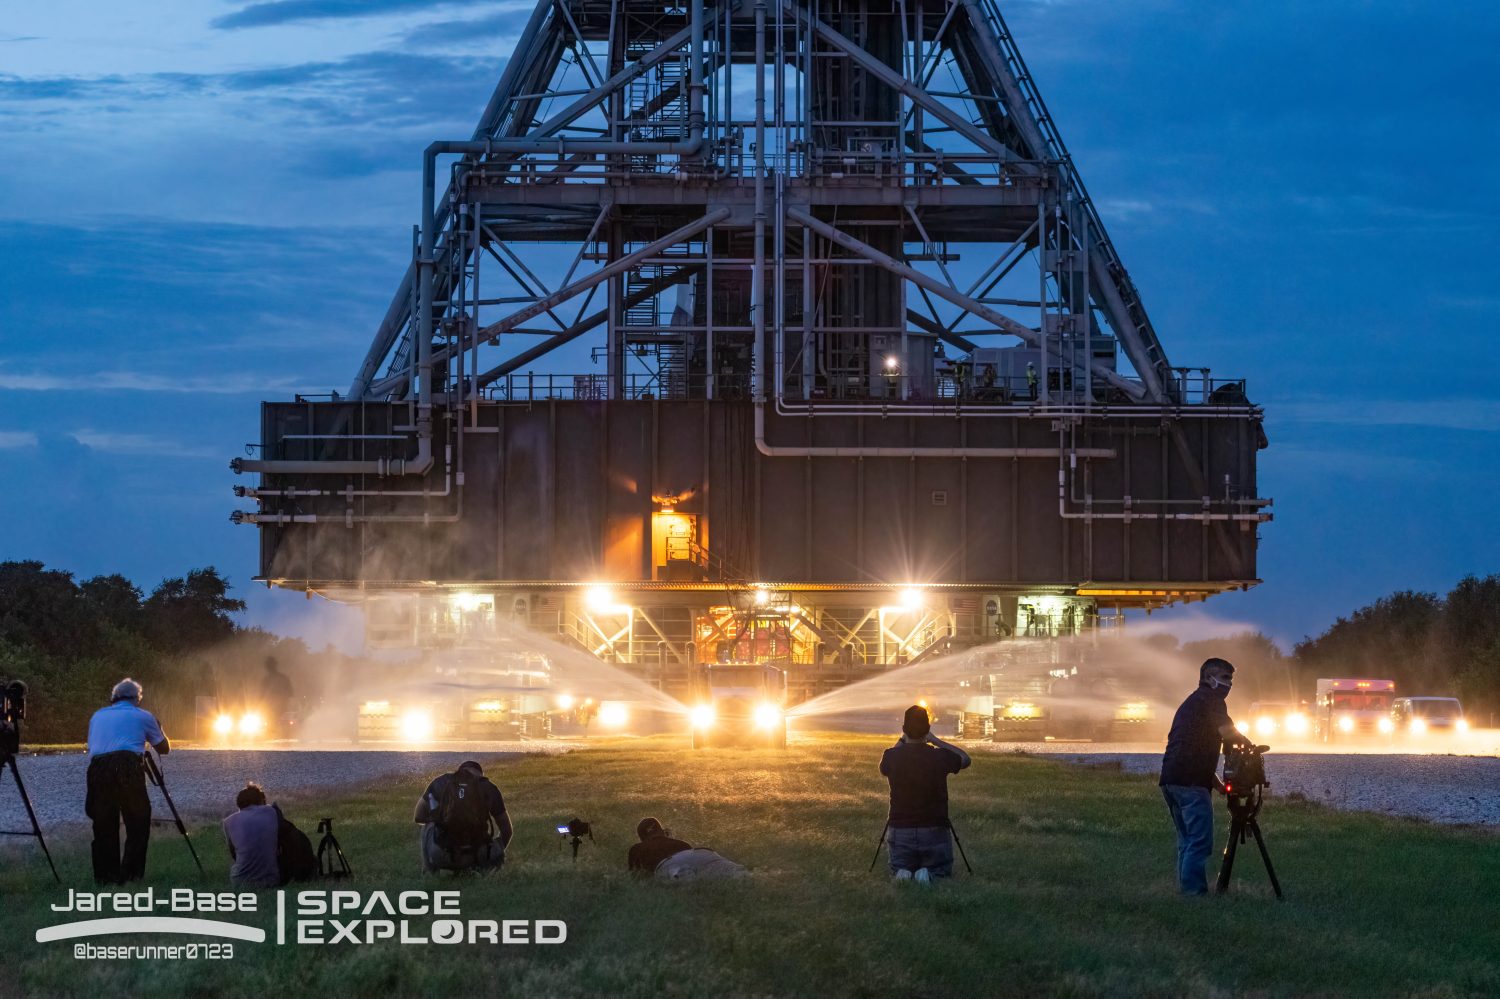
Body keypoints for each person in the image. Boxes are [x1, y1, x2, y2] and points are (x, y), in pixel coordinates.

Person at [1159, 658, 1241, 896]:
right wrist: (1248, 747)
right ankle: (1194, 895)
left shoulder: (1194, 702)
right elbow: (1228, 732)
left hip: (1172, 779)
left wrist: (1217, 784)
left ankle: (1187, 892)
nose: (1228, 684)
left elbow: (1192, 750)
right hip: (1190, 784)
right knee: (1199, 843)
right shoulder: (1211, 700)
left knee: (1186, 842)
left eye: (1231, 680)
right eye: (1225, 678)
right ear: (1208, 678)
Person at [84, 677, 170, 884]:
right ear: (137, 699)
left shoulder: (97, 716)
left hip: (98, 768)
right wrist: (159, 727)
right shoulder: (144, 716)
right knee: (137, 822)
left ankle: (106, 877)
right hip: (128, 766)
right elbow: (163, 748)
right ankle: (131, 876)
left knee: (104, 824)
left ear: (113, 698)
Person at [878, 704, 971, 881]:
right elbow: (965, 759)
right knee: (940, 871)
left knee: (899, 867)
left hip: (900, 829)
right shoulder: (939, 756)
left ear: (904, 729)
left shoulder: (891, 756)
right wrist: (936, 741)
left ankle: (903, 873)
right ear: (927, 729)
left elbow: (884, 769)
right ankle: (928, 875)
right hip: (934, 828)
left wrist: (902, 739)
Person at [413, 760, 512, 873]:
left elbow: (418, 816)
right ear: (480, 775)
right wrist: (494, 851)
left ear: (459, 771)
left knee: (428, 824)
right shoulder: (488, 787)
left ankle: (429, 871)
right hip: (478, 856)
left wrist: (438, 818)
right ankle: (486, 871)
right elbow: (507, 830)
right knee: (496, 848)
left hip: (442, 855)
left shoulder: (441, 782)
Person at [628, 817, 746, 880]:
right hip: (701, 853)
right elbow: (689, 856)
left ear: (642, 837)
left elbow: (637, 878)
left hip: (670, 865)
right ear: (662, 831)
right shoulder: (681, 843)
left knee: (691, 886)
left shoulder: (637, 848)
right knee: (742, 874)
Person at [222, 782, 280, 888]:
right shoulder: (271, 812)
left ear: (239, 803)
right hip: (270, 880)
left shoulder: (228, 822)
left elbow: (233, 853)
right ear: (261, 800)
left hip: (239, 881)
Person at [260, 656, 293, 736]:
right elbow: (261, 695)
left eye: (270, 665)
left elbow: (290, 693)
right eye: (268, 665)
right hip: (272, 709)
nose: (269, 667)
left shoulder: (279, 679)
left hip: (280, 709)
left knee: (280, 728)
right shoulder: (267, 680)